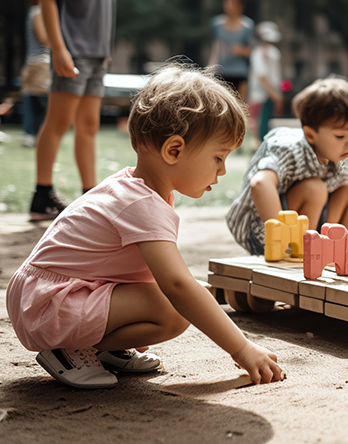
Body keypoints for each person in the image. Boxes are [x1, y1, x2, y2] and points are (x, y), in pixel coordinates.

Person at [6, 63, 284, 389]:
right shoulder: (141, 204)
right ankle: (68, 349)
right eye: (218, 158)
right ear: (174, 150)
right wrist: (242, 348)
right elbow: (177, 285)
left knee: (173, 303)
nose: (221, 171)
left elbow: (138, 269)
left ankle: (104, 347)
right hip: (48, 306)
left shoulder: (139, 189)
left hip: (49, 295)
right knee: (176, 309)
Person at [29, 0, 135, 221]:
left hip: (98, 51)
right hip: (72, 51)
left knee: (88, 125)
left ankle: (89, 195)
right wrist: (58, 50)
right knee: (58, 122)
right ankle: (42, 194)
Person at [227, 76, 348, 256]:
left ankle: (340, 252)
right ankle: (301, 254)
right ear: (310, 135)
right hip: (260, 228)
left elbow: (340, 191)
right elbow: (260, 183)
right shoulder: (289, 148)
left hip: (302, 219)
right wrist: (278, 236)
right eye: (340, 136)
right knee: (315, 189)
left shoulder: (332, 151)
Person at [20, 0, 51, 147]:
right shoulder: (38, 12)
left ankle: (32, 134)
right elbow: (44, 39)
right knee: (39, 101)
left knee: (33, 99)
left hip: (34, 62)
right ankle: (35, 134)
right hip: (40, 62)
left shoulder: (33, 11)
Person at [208, 0, 254, 103]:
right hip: (221, 71)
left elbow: (252, 51)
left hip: (240, 72)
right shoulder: (217, 24)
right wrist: (209, 69)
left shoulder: (247, 25)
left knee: (239, 106)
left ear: (241, 5)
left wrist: (240, 50)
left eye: (233, 2)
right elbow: (216, 47)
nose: (230, 5)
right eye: (227, 1)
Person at [248, 21, 283, 145]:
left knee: (268, 122)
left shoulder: (273, 52)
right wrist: (275, 95)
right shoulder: (258, 53)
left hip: (271, 93)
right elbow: (262, 76)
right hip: (260, 94)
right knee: (260, 123)